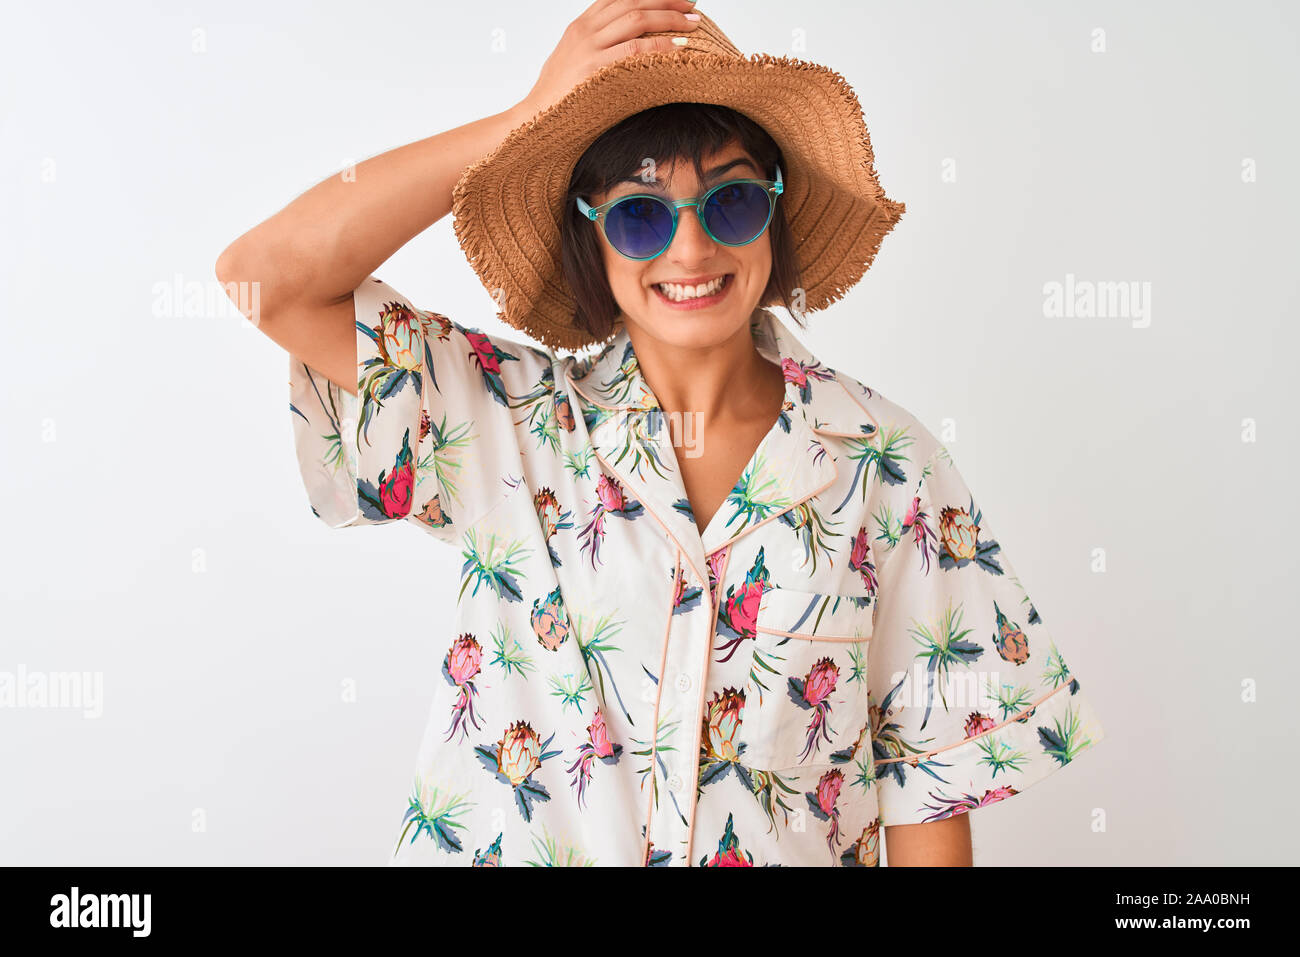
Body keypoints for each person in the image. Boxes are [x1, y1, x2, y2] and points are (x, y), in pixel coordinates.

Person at [217, 2, 1105, 867]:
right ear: (591, 239)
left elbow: (930, 788)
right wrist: (528, 119)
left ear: (776, 214)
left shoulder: (888, 465)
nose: (689, 250)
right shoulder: (504, 422)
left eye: (731, 203)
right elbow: (266, 278)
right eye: (642, 213)